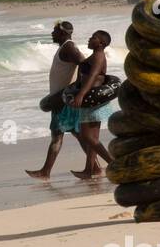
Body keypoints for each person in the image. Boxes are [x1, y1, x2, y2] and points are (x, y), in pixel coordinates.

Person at [27, 21, 84, 180]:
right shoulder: (65, 47)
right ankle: (95, 168)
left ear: (63, 33)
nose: (52, 34)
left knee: (58, 135)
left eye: (54, 31)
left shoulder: (69, 47)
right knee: (77, 134)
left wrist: (77, 86)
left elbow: (84, 63)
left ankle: (45, 172)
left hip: (63, 102)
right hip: (62, 100)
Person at [68, 30, 115, 179]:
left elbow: (93, 75)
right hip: (91, 100)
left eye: (93, 38)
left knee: (87, 136)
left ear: (101, 43)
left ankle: (114, 164)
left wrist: (81, 94)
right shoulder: (94, 55)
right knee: (92, 137)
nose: (89, 39)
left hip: (92, 100)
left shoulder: (99, 56)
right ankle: (89, 170)